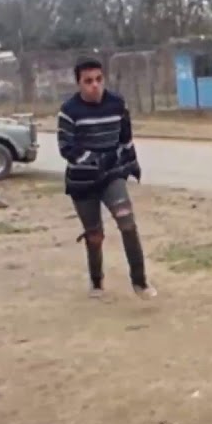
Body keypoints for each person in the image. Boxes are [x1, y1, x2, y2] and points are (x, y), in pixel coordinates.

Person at [57, 56, 157, 299]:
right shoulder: (69, 112)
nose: (95, 85)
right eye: (88, 81)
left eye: (99, 79)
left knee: (128, 223)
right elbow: (66, 149)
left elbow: (125, 138)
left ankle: (140, 282)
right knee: (95, 234)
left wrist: (132, 163)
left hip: (112, 176)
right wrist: (95, 160)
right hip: (82, 182)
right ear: (79, 83)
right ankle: (96, 281)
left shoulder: (117, 104)